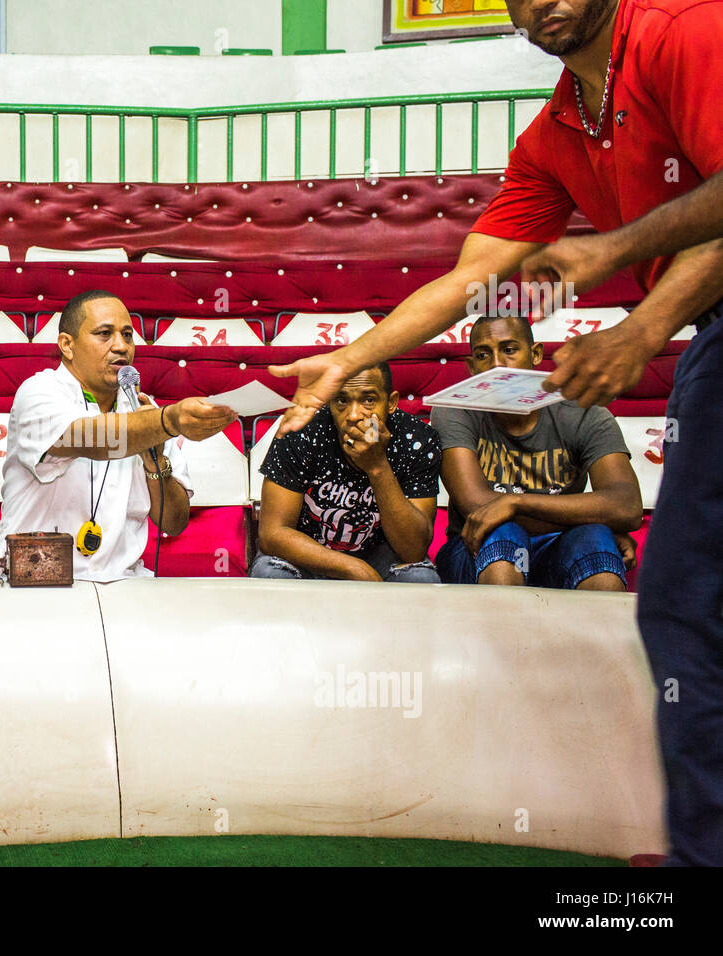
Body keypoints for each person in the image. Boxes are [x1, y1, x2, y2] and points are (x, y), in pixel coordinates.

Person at [271, 0, 723, 864]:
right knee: (688, 607)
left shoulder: (684, 29)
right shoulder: (553, 133)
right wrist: (347, 357)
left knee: (688, 605)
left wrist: (638, 319)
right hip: (709, 335)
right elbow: (471, 281)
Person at [0, 290, 237, 582]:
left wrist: (155, 463)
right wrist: (168, 421)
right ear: (67, 344)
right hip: (36, 580)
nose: (120, 346)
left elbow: (174, 522)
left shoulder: (145, 411)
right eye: (104, 334)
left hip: (124, 583)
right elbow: (89, 439)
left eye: (127, 335)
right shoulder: (39, 392)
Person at [432, 315, 641, 589]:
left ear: (536, 354)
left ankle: (594, 634)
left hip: (558, 549)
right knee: (502, 531)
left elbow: (627, 506)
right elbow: (477, 505)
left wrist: (515, 503)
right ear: (471, 367)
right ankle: (503, 633)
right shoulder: (454, 410)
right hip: (477, 550)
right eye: (483, 355)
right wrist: (594, 515)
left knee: (595, 540)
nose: (497, 364)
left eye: (509, 350)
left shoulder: (584, 413)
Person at [253, 362, 441, 583]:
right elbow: (273, 534)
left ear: (390, 403)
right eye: (341, 400)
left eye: (369, 400)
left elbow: (414, 549)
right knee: (270, 573)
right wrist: (352, 568)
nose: (353, 415)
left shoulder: (417, 439)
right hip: (307, 554)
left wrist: (377, 466)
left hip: (381, 555)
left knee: (421, 577)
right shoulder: (300, 430)